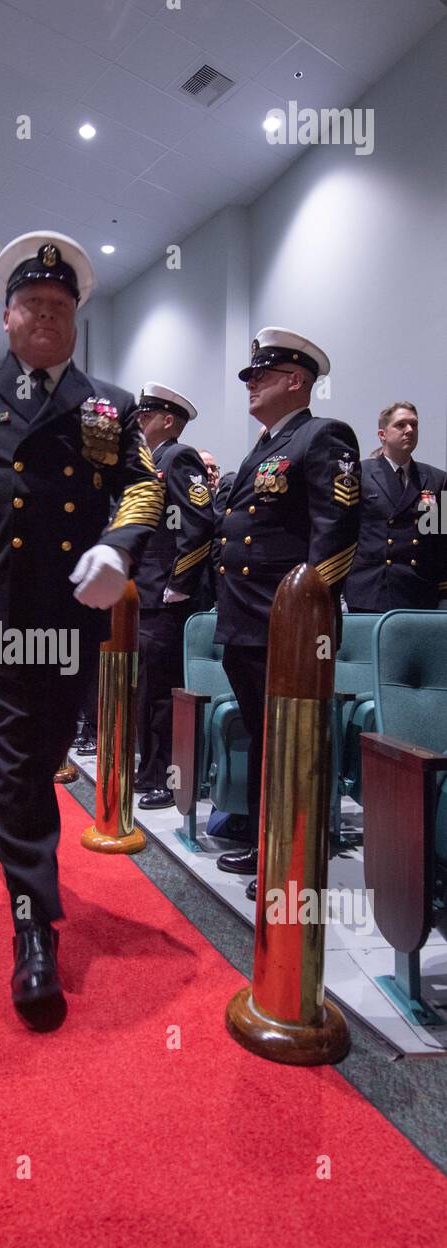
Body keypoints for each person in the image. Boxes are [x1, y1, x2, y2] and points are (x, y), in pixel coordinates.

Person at [0, 230, 163, 1028]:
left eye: (62, 306)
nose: (48, 315)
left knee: (46, 748)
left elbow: (143, 493)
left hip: (70, 609)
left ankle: (26, 879)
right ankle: (34, 928)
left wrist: (115, 547)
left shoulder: (109, 405)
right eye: (34, 303)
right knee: (19, 753)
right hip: (0, 610)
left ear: (73, 320)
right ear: (8, 314)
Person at [213, 327, 361, 898]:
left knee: (294, 744)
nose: (250, 386)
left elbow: (338, 530)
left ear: (296, 381)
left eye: (261, 376)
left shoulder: (323, 437)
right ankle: (267, 845)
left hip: (290, 627)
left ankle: (297, 860)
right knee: (264, 736)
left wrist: (310, 611)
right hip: (246, 621)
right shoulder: (265, 446)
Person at [133, 384, 214, 808]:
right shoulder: (149, 462)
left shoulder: (178, 458)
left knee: (164, 692)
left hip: (168, 598)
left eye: (146, 416)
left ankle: (169, 776)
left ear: (168, 420)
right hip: (146, 595)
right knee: (147, 689)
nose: (138, 422)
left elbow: (198, 523)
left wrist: (178, 585)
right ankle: (149, 769)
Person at [344, 401, 447, 612]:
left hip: (419, 592)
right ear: (382, 435)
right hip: (370, 592)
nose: (409, 430)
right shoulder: (359, 474)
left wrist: (443, 594)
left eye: (414, 425)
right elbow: (343, 534)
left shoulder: (438, 480)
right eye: (401, 425)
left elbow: (441, 541)